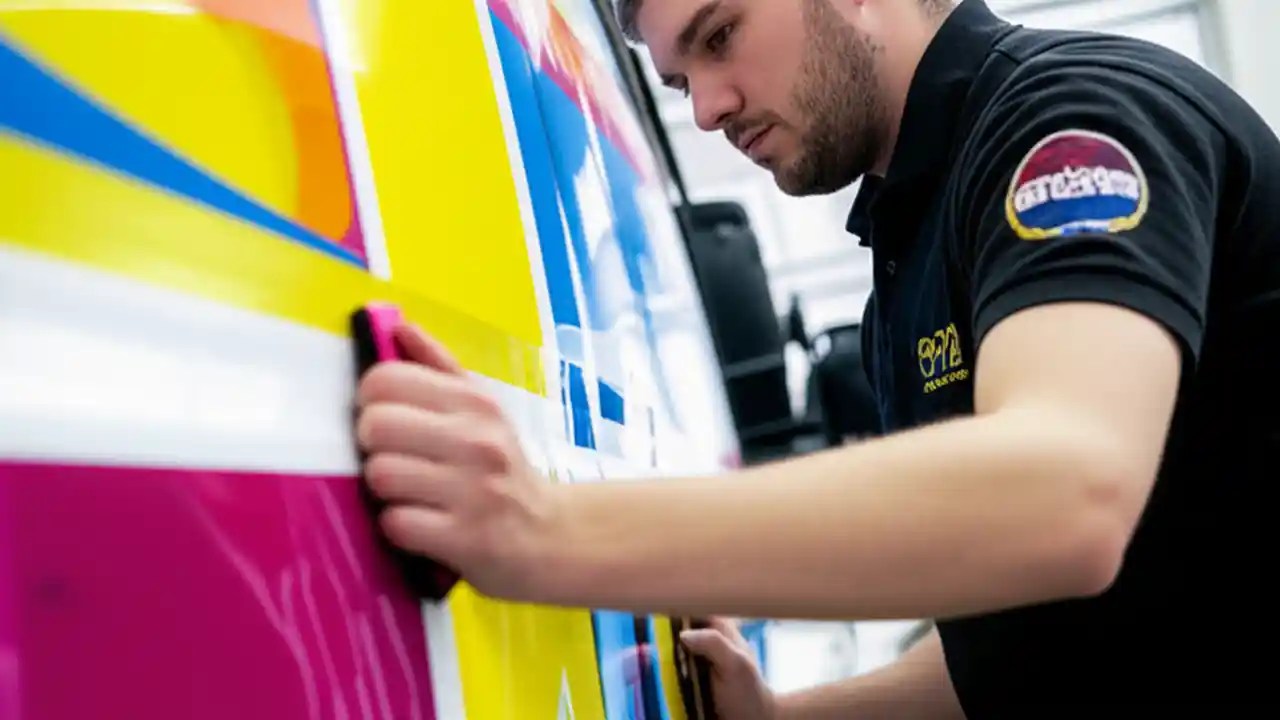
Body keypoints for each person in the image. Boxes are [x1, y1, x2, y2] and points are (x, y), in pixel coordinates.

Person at [352, 0, 1280, 714]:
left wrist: (548, 531)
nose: (709, 109)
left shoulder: (1073, 117)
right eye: (679, 82)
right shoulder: (909, 255)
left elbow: (1064, 496)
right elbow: (1017, 653)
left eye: (720, 37)